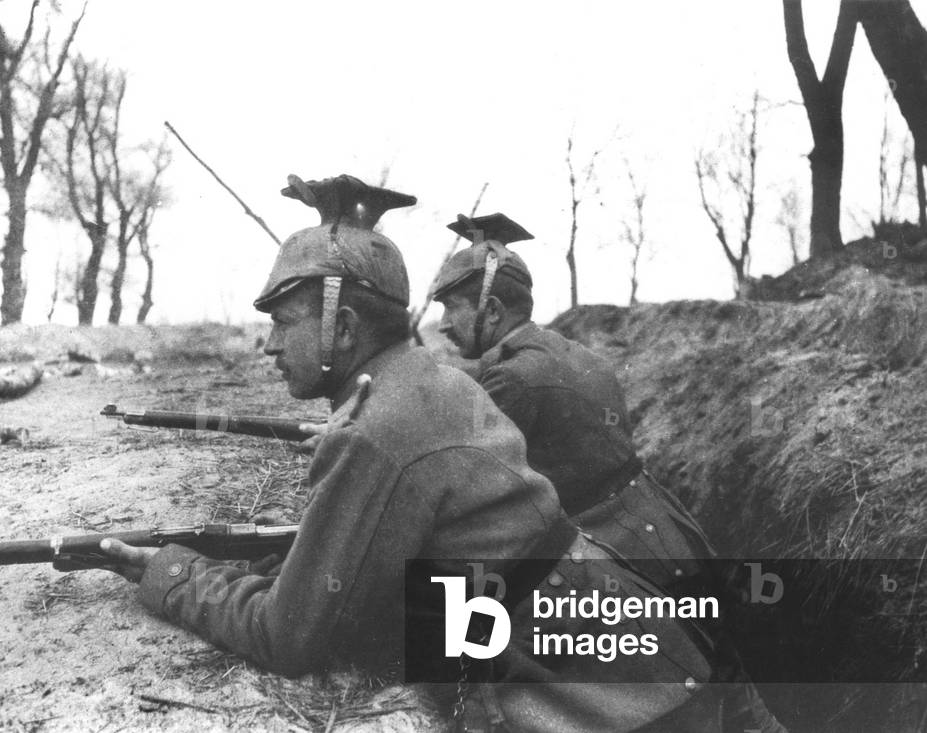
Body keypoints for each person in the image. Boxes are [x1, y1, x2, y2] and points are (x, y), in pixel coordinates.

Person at [99, 175, 759, 732]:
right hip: (630, 643)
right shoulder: (422, 379)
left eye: (282, 321)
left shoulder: (375, 424)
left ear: (345, 327)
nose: (268, 345)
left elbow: (287, 636)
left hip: (612, 697)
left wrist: (174, 574)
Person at [431, 213, 716, 587]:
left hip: (612, 563)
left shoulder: (511, 378)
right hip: (667, 535)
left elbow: (463, 490)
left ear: (495, 310)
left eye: (451, 307)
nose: (443, 324)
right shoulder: (579, 356)